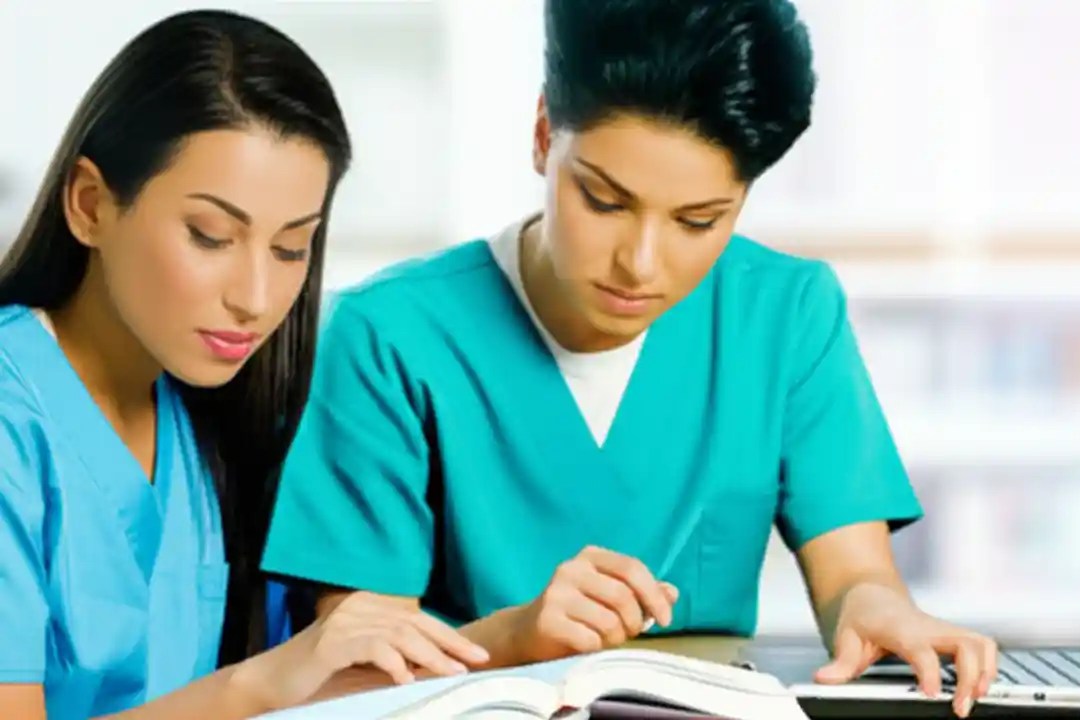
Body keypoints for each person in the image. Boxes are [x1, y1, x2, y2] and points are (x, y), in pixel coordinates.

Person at [262, 1, 995, 717]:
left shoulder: (787, 312)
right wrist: (518, 636)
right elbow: (353, 672)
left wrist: (882, 612)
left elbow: (855, 573)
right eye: (605, 201)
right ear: (546, 135)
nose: (641, 264)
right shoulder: (391, 333)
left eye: (697, 221)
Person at [0, 10, 488, 720]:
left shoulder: (216, 418)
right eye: (211, 236)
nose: (256, 300)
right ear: (90, 205)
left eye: (292, 248)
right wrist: (257, 684)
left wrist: (515, 640)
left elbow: (323, 682)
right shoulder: (16, 420)